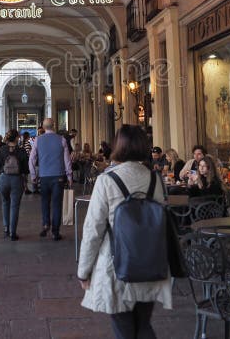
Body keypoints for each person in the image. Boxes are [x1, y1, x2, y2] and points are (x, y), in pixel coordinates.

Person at [77, 124, 172, 339]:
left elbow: (93, 230)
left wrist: (84, 270)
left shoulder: (106, 180)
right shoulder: (155, 179)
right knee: (144, 325)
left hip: (117, 264)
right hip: (150, 262)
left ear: (118, 146)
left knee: (123, 328)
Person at [29, 118, 73, 241]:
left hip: (44, 177)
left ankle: (45, 223)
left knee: (44, 202)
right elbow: (67, 160)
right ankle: (55, 232)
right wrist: (69, 176)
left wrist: (33, 175)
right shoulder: (62, 139)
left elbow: (31, 159)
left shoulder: (37, 140)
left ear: (43, 127)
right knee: (57, 204)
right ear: (54, 125)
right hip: (58, 177)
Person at [0, 129, 28, 241]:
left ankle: (6, 229)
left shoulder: (2, 149)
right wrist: (25, 183)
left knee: (5, 203)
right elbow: (25, 170)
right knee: (15, 206)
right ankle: (13, 232)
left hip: (3, 179)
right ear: (17, 138)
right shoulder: (21, 150)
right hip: (17, 180)